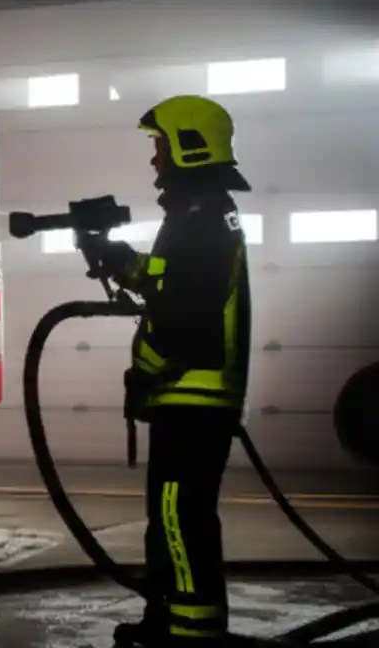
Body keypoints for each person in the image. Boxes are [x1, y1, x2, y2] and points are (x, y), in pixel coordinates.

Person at [94, 95, 253, 647]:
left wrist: (146, 374)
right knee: (173, 520)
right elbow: (169, 282)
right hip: (190, 400)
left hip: (192, 397)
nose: (154, 159)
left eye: (159, 146)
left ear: (189, 145)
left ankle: (189, 636)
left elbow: (184, 318)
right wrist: (120, 261)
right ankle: (170, 621)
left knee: (179, 519)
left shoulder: (204, 217)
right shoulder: (199, 214)